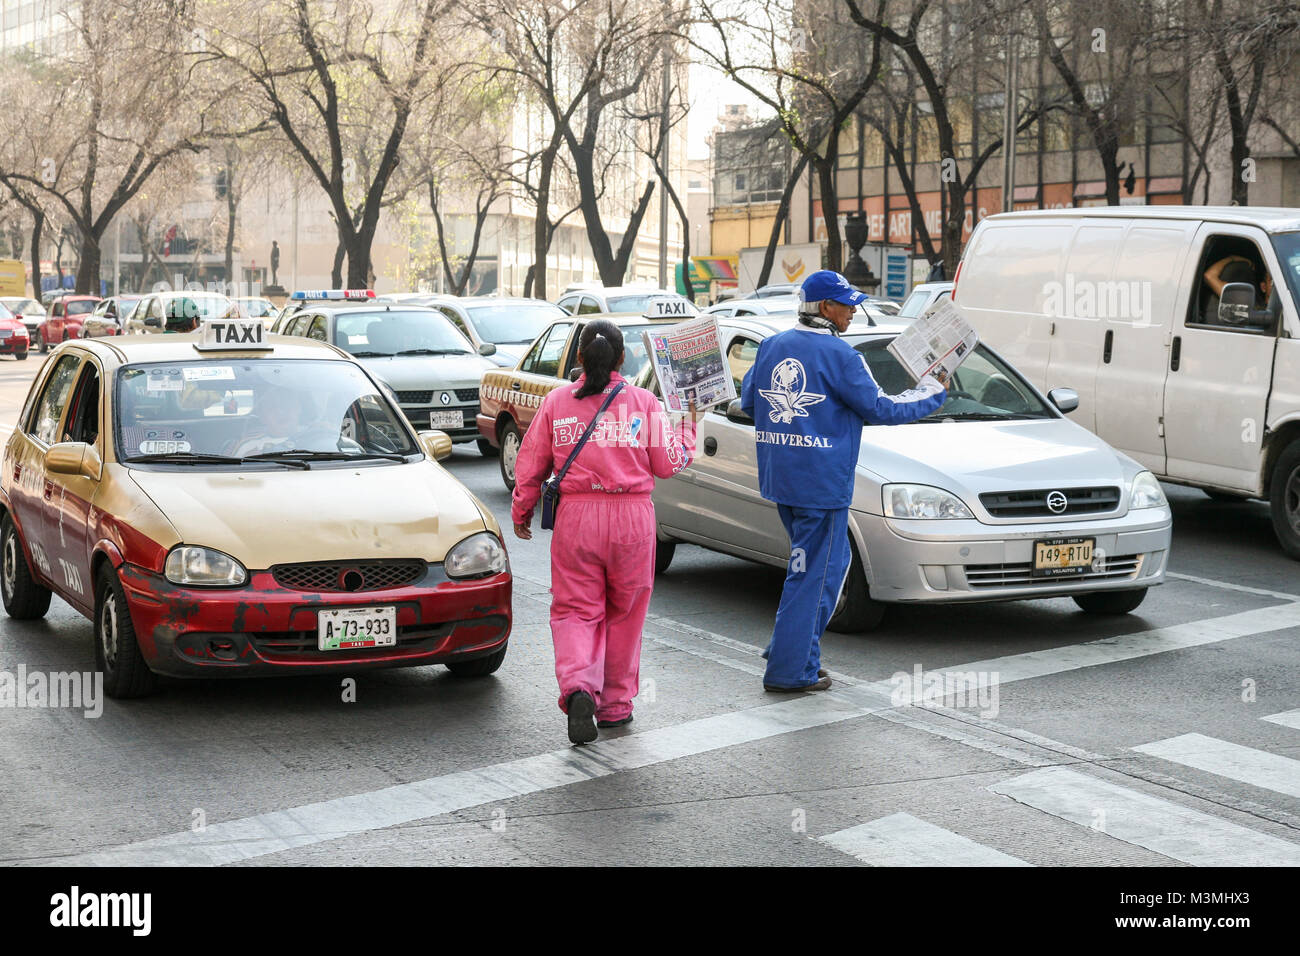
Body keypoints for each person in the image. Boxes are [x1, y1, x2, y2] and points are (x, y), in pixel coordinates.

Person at [740, 270, 948, 692]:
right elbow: (883, 409)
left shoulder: (770, 347)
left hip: (783, 480)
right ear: (823, 308)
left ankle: (792, 652)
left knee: (806, 570)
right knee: (818, 576)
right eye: (846, 303)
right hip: (822, 485)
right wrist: (933, 391)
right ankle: (790, 668)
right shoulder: (842, 356)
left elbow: (747, 402)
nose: (854, 310)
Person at [512, 320, 699, 744]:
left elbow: (532, 461)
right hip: (633, 519)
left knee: (576, 610)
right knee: (626, 612)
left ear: (579, 357)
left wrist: (523, 508)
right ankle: (615, 705)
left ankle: (579, 688)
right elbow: (668, 464)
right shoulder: (645, 402)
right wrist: (689, 427)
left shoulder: (557, 402)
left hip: (576, 520)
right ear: (621, 359)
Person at [1202, 255, 1274, 323]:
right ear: (1263, 287)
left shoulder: (1283, 312)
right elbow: (1209, 276)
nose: (1275, 286)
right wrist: (1232, 258)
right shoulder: (1248, 304)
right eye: (1272, 281)